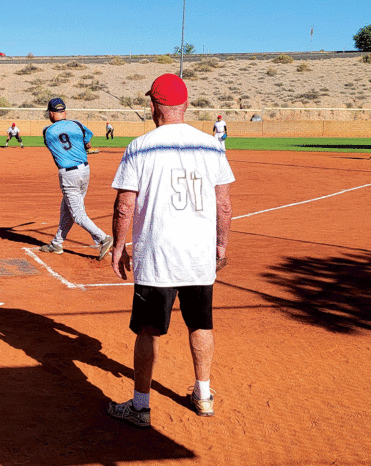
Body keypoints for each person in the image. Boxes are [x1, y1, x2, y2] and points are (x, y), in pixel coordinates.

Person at [106, 74, 234, 427]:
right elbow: (223, 204)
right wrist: (221, 246)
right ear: (185, 105)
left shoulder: (140, 146)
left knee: (148, 330)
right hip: (198, 255)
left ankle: (141, 406)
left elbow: (124, 206)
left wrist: (118, 246)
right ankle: (204, 396)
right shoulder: (211, 145)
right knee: (201, 323)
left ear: (153, 105)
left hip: (157, 254)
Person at [40, 98, 113, 260]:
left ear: (51, 113)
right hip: (85, 170)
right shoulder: (77, 124)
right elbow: (87, 141)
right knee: (67, 208)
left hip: (68, 174)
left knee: (78, 214)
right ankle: (57, 243)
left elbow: (56, 149)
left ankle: (104, 238)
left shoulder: (47, 131)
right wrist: (85, 147)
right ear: (64, 111)